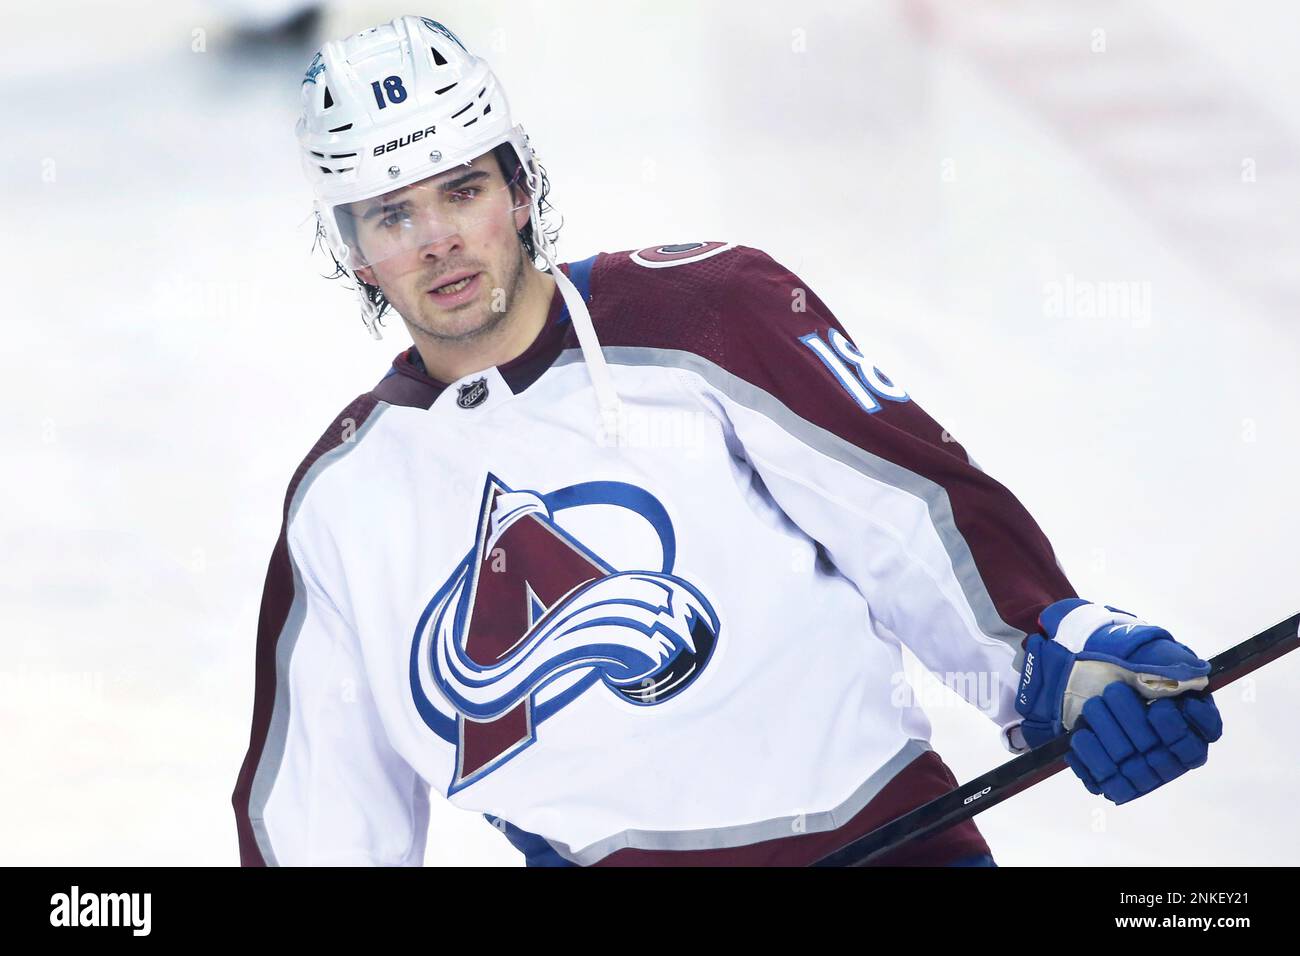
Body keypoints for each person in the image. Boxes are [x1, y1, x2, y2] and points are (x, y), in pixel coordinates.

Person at [232, 15, 1223, 867]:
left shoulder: (704, 314)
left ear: (519, 191)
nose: (437, 239)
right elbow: (321, 812)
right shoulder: (347, 501)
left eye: (460, 191)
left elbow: (907, 511)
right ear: (355, 252)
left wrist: (1054, 653)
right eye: (392, 214)